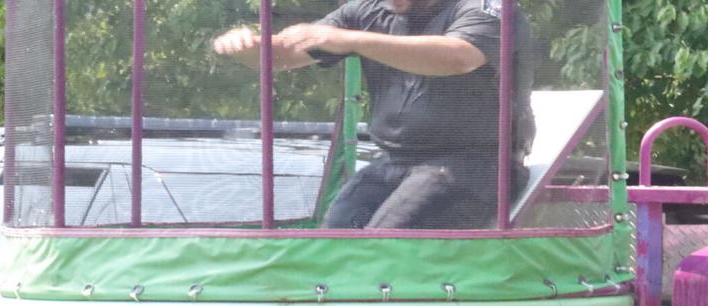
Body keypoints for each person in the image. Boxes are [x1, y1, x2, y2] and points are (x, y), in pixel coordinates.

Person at [213, 0, 535, 230]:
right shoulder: (367, 11)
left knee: (381, 246)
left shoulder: (486, 8)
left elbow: (458, 57)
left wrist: (350, 40)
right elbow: (282, 53)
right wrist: (245, 46)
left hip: (476, 166)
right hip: (394, 163)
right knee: (334, 241)